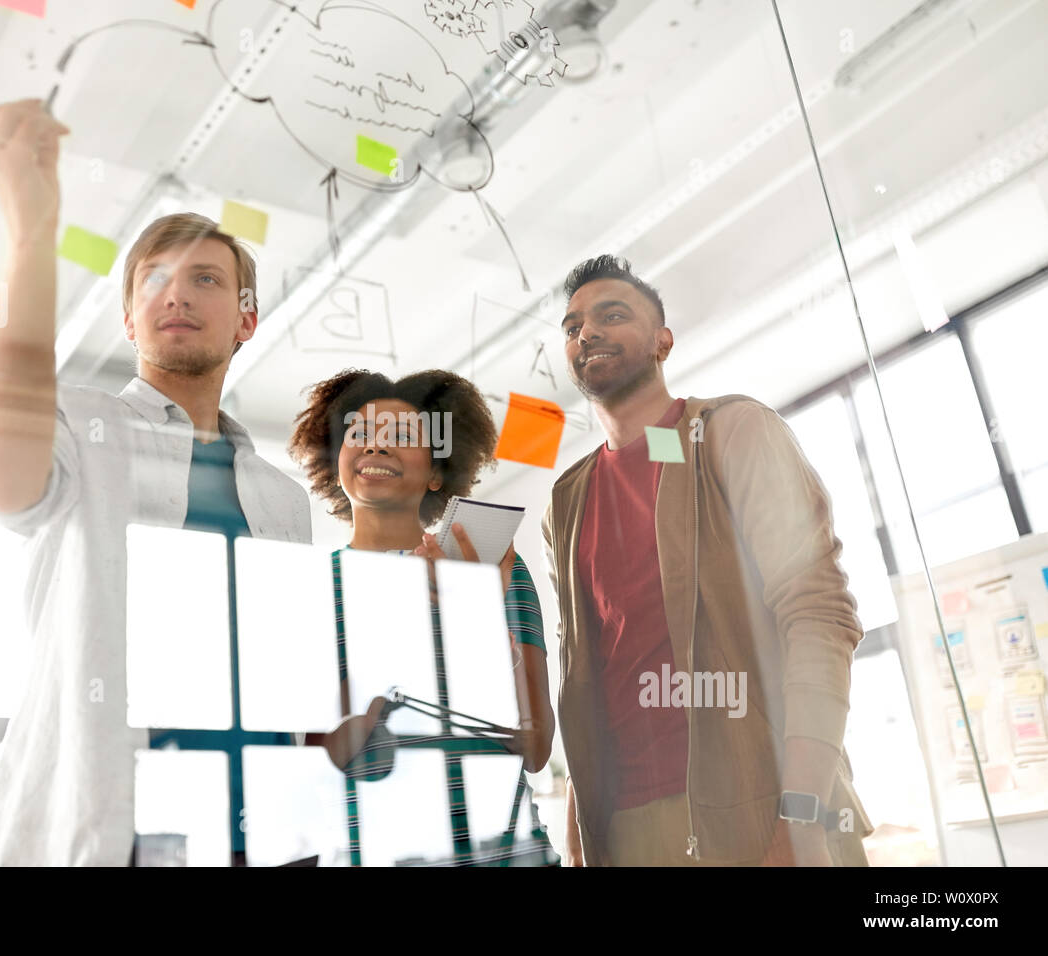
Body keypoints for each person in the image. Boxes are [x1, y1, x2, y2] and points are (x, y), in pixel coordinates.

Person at [0, 99, 311, 865]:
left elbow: (287, 679)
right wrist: (30, 238)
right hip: (119, 837)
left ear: (246, 321)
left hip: (263, 836)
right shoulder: (84, 429)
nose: (176, 294)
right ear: (129, 318)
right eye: (154, 279)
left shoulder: (283, 500)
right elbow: (0, 482)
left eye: (205, 279)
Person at [544, 255, 872, 867]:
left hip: (760, 804)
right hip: (628, 829)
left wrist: (802, 814)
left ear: (662, 341)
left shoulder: (731, 432)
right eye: (572, 326)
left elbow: (819, 615)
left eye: (612, 315)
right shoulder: (568, 499)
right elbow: (582, 676)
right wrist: (579, 839)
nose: (586, 332)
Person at [288, 369, 556, 865]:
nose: (376, 445)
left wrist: (474, 625)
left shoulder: (492, 566)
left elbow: (535, 747)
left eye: (402, 436)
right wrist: (417, 630)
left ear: (437, 472)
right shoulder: (311, 589)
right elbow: (319, 762)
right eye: (359, 433)